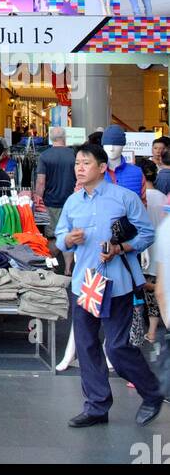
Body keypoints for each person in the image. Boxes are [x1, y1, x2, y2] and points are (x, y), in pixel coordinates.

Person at [54, 142, 162, 428]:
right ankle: (97, 406)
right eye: (77, 162)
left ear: (102, 168)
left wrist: (122, 247)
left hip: (117, 285)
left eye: (85, 162)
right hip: (84, 285)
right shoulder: (72, 201)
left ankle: (151, 392)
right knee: (87, 347)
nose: (79, 167)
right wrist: (67, 240)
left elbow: (147, 233)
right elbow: (60, 235)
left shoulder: (124, 198)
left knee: (116, 348)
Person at [34, 127, 76, 240]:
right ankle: (68, 258)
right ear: (64, 137)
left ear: (50, 138)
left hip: (50, 202)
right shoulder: (74, 155)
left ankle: (54, 257)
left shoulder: (44, 156)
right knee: (69, 235)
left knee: (52, 235)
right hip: (72, 202)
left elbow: (41, 182)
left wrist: (38, 198)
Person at [142, 159, 167, 346]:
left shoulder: (138, 198)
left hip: (144, 249)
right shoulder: (162, 197)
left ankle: (146, 332)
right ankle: (152, 331)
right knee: (158, 289)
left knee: (145, 293)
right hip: (161, 250)